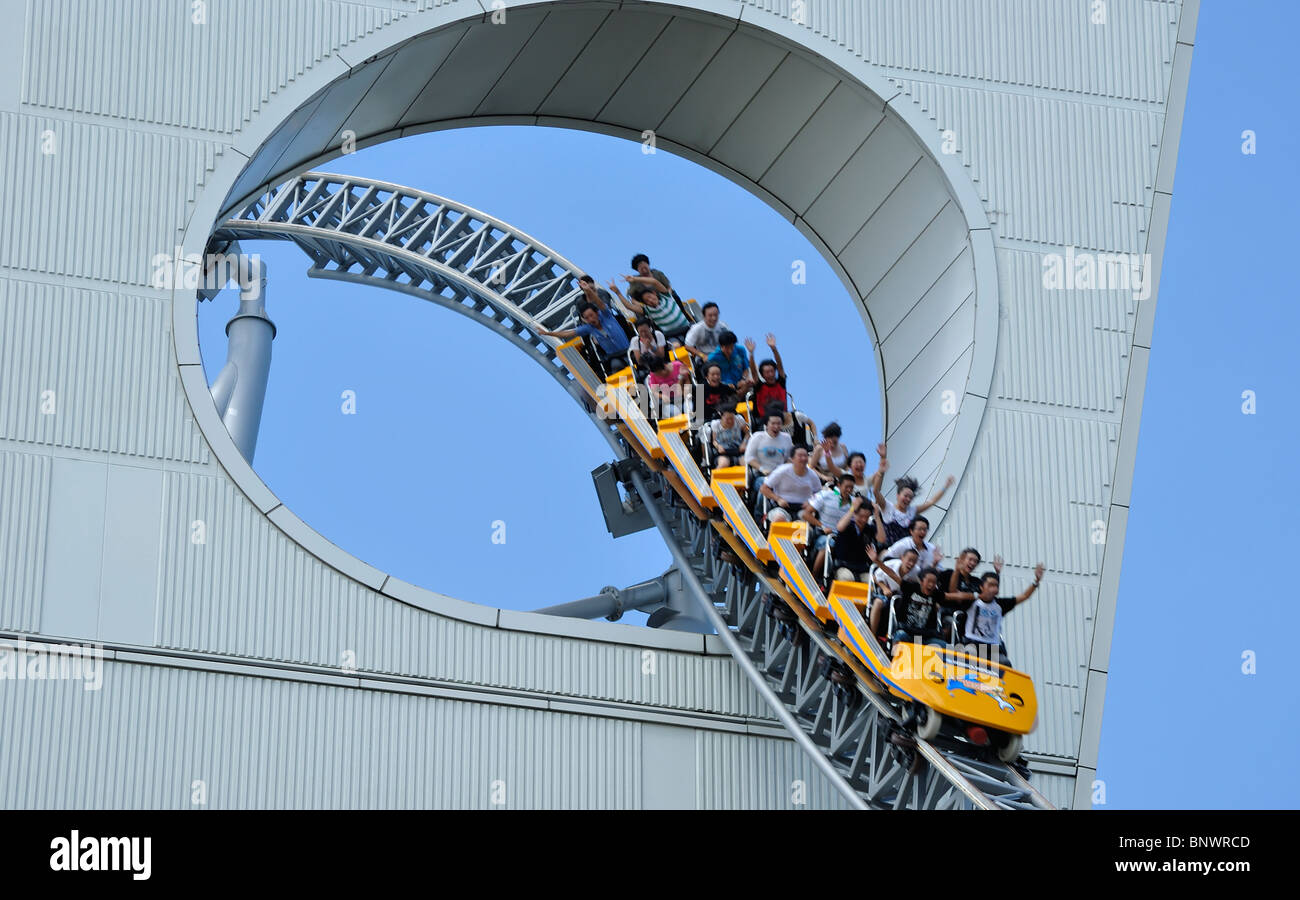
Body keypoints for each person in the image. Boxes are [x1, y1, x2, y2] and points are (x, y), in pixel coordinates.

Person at [957, 564, 1045, 666]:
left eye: (996, 586)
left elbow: (1024, 596)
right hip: (971, 643)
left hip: (992, 646)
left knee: (1004, 663)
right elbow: (955, 595)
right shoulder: (972, 601)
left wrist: (1036, 581)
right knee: (967, 661)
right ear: (981, 587)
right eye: (990, 585)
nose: (993, 588)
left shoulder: (1000, 605)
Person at [872, 442, 955, 546]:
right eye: (905, 496)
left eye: (910, 497)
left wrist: (945, 486)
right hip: (889, 550)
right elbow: (876, 491)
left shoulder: (912, 511)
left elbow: (931, 502)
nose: (907, 499)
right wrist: (882, 464)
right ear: (898, 495)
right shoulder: (888, 507)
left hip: (907, 553)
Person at [866, 559, 950, 650]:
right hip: (907, 632)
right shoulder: (911, 587)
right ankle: (894, 661)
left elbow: (955, 596)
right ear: (921, 581)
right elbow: (892, 574)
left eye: (934, 582)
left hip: (924, 636)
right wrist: (876, 560)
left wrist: (968, 595)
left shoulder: (936, 594)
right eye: (929, 581)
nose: (931, 585)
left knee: (945, 646)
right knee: (900, 636)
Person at [539, 301, 630, 374]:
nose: (590, 319)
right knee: (616, 366)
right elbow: (568, 333)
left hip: (629, 350)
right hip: (615, 357)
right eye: (587, 318)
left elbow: (600, 304)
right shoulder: (588, 328)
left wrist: (589, 291)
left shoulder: (606, 316)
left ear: (597, 313)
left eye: (591, 315)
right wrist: (548, 333)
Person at [803, 473, 869, 576]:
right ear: (839, 485)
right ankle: (814, 576)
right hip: (824, 534)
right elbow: (806, 514)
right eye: (846, 487)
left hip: (844, 537)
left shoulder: (854, 503)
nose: (849, 490)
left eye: (851, 488)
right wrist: (822, 526)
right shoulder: (826, 495)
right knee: (829, 543)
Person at [612, 278, 690, 342]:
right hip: (673, 336)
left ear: (654, 293)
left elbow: (654, 282)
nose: (650, 300)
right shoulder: (648, 310)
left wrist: (635, 279)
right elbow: (629, 306)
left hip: (688, 328)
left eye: (650, 297)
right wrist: (618, 292)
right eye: (647, 301)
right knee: (675, 346)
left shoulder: (666, 297)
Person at [761, 446, 822, 524]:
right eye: (800, 456)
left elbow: (819, 493)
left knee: (802, 526)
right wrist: (778, 499)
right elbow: (764, 488)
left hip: (802, 509)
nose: (803, 458)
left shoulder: (812, 474)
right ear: (792, 459)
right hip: (782, 506)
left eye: (805, 456)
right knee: (779, 518)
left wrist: (811, 501)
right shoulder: (782, 470)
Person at [867, 547, 919, 637]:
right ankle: (872, 635)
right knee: (878, 602)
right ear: (902, 558)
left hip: (901, 598)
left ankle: (893, 638)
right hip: (886, 594)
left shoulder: (916, 571)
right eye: (909, 560)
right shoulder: (891, 564)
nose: (911, 564)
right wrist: (884, 588)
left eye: (914, 562)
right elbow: (875, 577)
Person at [828, 496, 880, 583]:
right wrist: (852, 508)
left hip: (862, 568)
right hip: (844, 566)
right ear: (855, 514)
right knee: (847, 578)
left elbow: (881, 539)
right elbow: (839, 527)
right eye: (861, 516)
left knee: (873, 582)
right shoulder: (848, 525)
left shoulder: (869, 529)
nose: (863, 520)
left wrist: (877, 516)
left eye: (866, 517)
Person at [743, 412, 792, 488]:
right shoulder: (757, 437)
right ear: (767, 424)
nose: (776, 426)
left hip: (780, 475)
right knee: (767, 484)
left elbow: (788, 459)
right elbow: (748, 458)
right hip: (761, 475)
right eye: (773, 424)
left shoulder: (786, 438)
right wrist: (762, 469)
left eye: (779, 424)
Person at [644, 353, 691, 418]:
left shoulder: (678, 366)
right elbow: (654, 391)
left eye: (659, 373)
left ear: (664, 366)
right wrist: (662, 396)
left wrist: (686, 392)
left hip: (683, 396)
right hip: (669, 401)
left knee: (689, 409)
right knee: (676, 413)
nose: (658, 376)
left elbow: (687, 382)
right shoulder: (653, 374)